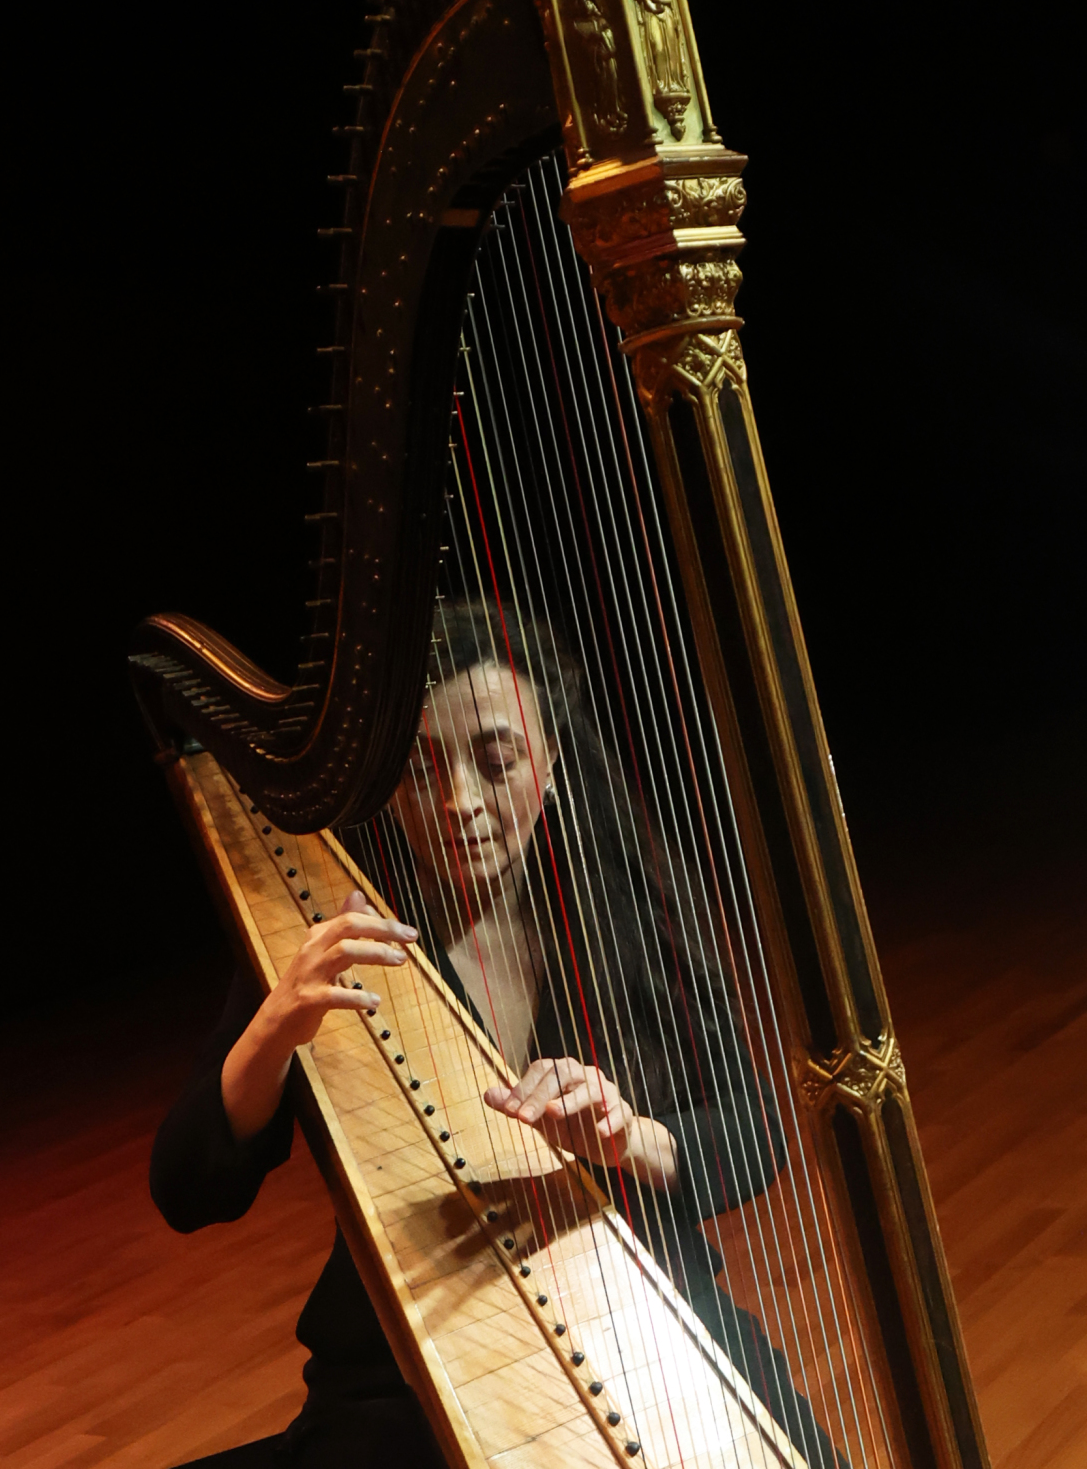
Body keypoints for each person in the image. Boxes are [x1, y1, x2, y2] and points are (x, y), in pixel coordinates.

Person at [151, 601, 840, 1468]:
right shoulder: (337, 931)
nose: (458, 803)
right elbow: (185, 1189)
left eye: (495, 761)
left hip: (634, 1311)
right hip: (402, 1365)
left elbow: (753, 1129)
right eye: (424, 767)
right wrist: (272, 1028)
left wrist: (634, 1140)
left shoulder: (624, 915)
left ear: (551, 763)